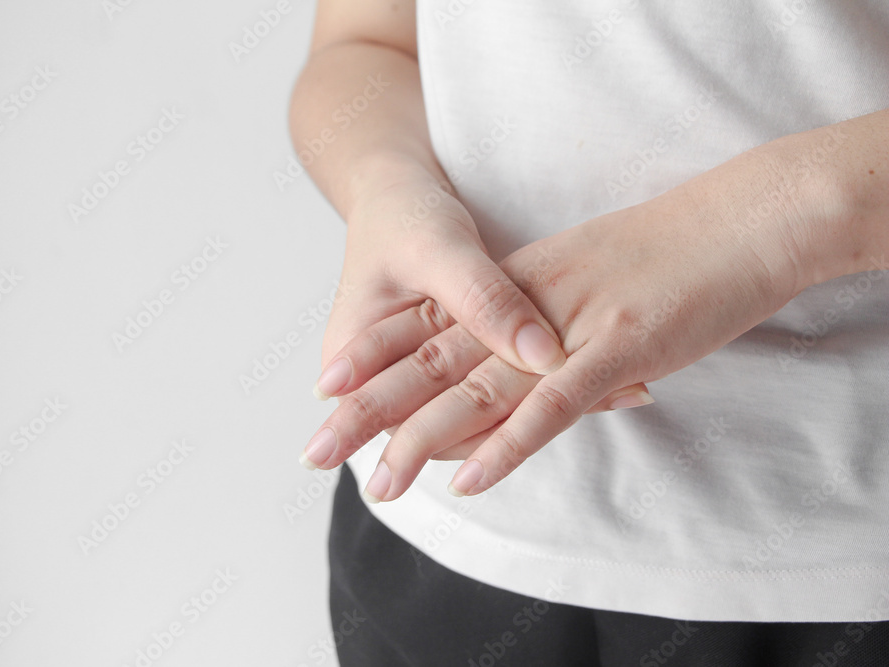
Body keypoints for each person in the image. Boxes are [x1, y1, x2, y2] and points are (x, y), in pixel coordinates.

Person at [289, 1, 889, 664]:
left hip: (840, 566)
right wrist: (386, 185)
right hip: (443, 526)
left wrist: (761, 227)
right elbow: (367, 42)